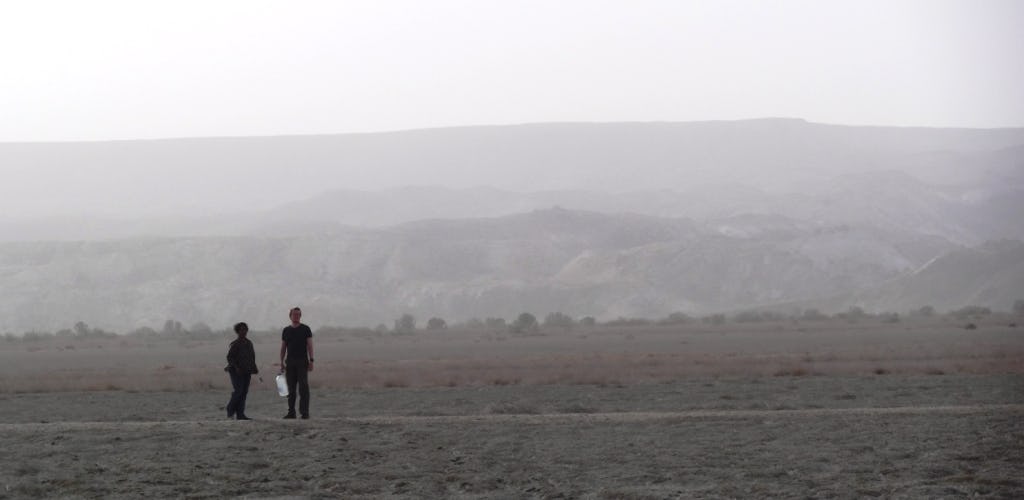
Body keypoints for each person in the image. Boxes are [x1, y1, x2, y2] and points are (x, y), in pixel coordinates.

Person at [280, 307, 314, 419]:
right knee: (291, 388)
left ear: (300, 316)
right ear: (290, 316)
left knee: (303, 387)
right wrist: (281, 361)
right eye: (294, 314)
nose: (296, 316)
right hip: (290, 362)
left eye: (298, 314)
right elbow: (283, 347)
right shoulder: (286, 330)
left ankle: (305, 412)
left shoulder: (305, 329)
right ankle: (291, 412)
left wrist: (311, 360)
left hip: (302, 361)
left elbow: (310, 345)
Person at [225, 322, 258, 420]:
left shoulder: (249, 343)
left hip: (247, 371)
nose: (243, 331)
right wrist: (236, 367)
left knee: (244, 392)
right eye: (241, 330)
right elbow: (230, 357)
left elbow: (252, 357)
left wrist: (254, 368)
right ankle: (230, 410)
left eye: (245, 329)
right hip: (236, 371)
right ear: (237, 331)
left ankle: (240, 414)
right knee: (238, 391)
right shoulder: (235, 344)